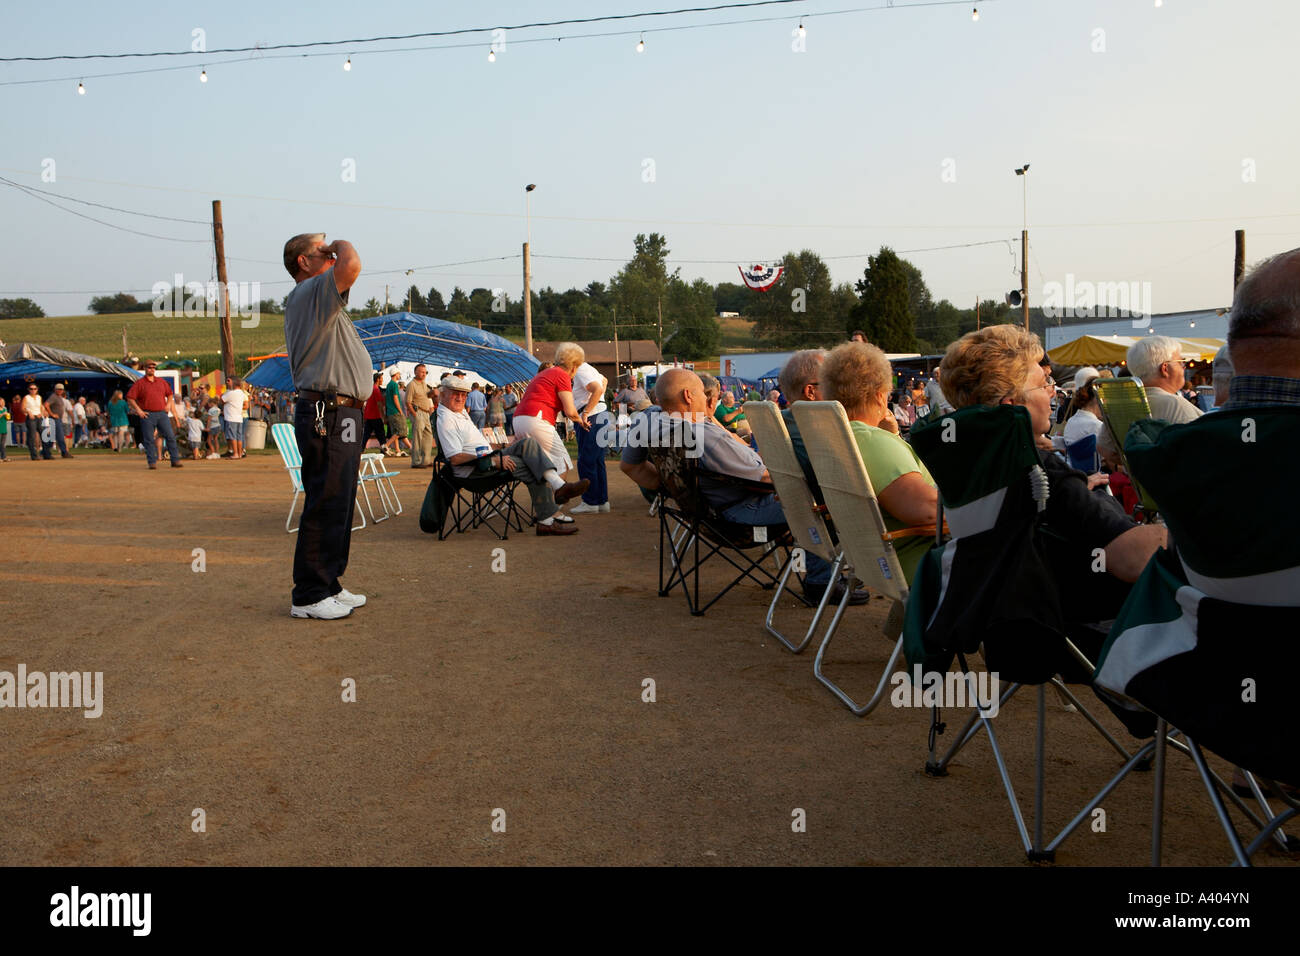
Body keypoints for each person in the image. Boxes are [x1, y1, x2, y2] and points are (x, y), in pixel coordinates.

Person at [939, 325, 1167, 625]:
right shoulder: (1041, 472)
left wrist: (1070, 490)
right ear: (1012, 405)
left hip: (1001, 618)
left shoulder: (968, 461)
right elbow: (1133, 560)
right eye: (1044, 382)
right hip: (1087, 625)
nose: (1053, 391)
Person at [281, 231, 370, 620]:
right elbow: (351, 264)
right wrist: (340, 242)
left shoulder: (320, 297)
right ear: (304, 262)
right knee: (326, 499)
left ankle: (330, 582)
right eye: (322, 251)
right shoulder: (309, 293)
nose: (331, 255)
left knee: (341, 499)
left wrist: (327, 250)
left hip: (344, 412)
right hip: (326, 411)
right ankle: (309, 594)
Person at [821, 342, 940, 584]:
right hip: (923, 560)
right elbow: (929, 512)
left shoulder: (839, 439)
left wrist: (892, 436)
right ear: (879, 396)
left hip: (875, 561)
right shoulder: (871, 443)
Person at [435, 375, 588, 535]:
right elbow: (455, 458)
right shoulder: (447, 420)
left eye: (463, 394)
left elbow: (480, 446)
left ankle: (558, 487)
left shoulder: (459, 413)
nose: (460, 397)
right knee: (533, 464)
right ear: (442, 394)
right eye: (455, 393)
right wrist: (494, 461)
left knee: (527, 443)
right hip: (477, 471)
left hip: (489, 458)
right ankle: (547, 519)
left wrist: (504, 445)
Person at [512, 342, 589, 483]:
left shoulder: (544, 373)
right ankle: (556, 501)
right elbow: (570, 411)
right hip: (537, 419)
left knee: (542, 463)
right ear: (574, 366)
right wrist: (581, 421)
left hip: (519, 419)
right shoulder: (562, 375)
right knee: (562, 463)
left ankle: (544, 501)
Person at [568, 358, 610, 514]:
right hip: (600, 414)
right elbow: (604, 381)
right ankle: (602, 501)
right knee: (597, 460)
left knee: (586, 460)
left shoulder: (580, 369)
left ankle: (590, 501)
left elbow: (597, 388)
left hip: (591, 416)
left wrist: (585, 412)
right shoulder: (590, 369)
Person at [125, 361, 182, 469]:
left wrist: (168, 405)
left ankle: (175, 460)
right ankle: (152, 462)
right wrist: (139, 411)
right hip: (148, 414)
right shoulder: (140, 383)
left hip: (161, 413)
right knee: (149, 439)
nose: (151, 369)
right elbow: (130, 397)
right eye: (149, 367)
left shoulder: (161, 381)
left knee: (170, 436)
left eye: (153, 367)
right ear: (145, 368)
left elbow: (170, 394)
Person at [404, 364, 435, 469]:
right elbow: (408, 402)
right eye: (421, 372)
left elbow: (427, 396)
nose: (424, 374)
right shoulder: (411, 385)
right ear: (415, 372)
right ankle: (416, 461)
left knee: (428, 435)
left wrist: (432, 392)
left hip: (426, 412)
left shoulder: (424, 384)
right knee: (417, 437)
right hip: (418, 412)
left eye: (425, 372)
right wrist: (415, 414)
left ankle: (426, 460)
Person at [382, 371, 410, 458]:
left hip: (390, 411)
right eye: (398, 374)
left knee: (395, 431)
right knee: (401, 430)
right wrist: (400, 411)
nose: (400, 375)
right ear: (395, 374)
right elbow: (395, 398)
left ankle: (398, 450)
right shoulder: (394, 385)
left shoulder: (389, 384)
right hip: (395, 411)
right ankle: (386, 445)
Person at [221, 377, 249, 459]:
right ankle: (240, 453)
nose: (227, 382)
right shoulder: (241, 393)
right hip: (239, 417)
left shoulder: (231, 393)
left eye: (229, 381)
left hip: (231, 417)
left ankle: (235, 453)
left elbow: (222, 400)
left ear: (234, 382)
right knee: (239, 436)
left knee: (232, 436)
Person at [45, 383, 74, 458]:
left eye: (61, 389)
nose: (60, 391)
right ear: (55, 389)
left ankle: (45, 452)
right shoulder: (54, 396)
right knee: (60, 436)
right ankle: (64, 452)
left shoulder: (59, 397)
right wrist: (52, 414)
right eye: (58, 389)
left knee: (52, 437)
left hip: (58, 419)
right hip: (55, 419)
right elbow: (46, 404)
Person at [362, 372, 386, 451]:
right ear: (378, 379)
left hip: (369, 415)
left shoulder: (371, 388)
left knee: (366, 434)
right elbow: (379, 404)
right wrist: (383, 416)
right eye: (381, 378)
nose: (382, 380)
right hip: (375, 416)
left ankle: (361, 449)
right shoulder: (376, 389)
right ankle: (383, 449)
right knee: (381, 434)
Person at [21, 384, 45, 460]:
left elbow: (41, 406)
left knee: (43, 435)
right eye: (31, 389)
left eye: (35, 389)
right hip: (31, 417)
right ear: (29, 389)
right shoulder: (26, 398)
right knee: (32, 436)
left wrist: (41, 413)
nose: (33, 390)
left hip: (38, 417)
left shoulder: (39, 397)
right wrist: (28, 412)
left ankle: (46, 453)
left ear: (37, 389)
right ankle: (34, 455)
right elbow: (22, 408)